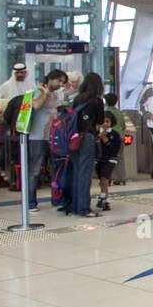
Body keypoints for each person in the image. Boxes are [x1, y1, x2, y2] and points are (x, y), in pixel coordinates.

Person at [24, 69, 66, 212]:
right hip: (37, 137)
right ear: (51, 79)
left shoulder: (56, 94)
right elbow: (35, 105)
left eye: (62, 82)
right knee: (35, 170)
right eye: (59, 81)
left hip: (53, 136)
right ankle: (30, 202)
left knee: (56, 169)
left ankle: (56, 199)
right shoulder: (38, 91)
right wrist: (45, 93)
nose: (60, 84)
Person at [66, 72, 106, 217]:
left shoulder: (77, 98)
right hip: (87, 139)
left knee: (77, 172)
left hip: (74, 138)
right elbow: (101, 121)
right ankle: (84, 208)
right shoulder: (97, 101)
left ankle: (75, 205)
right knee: (85, 174)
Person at [94, 111, 122, 212]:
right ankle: (106, 200)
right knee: (101, 181)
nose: (105, 124)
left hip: (110, 159)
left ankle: (103, 198)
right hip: (99, 160)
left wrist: (106, 140)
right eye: (103, 121)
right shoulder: (96, 134)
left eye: (107, 121)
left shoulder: (114, 134)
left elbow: (115, 149)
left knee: (104, 179)